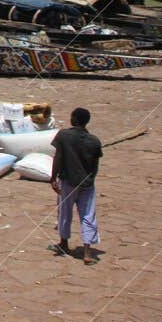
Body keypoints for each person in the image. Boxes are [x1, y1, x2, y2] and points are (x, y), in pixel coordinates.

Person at [50, 107, 104, 264]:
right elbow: (95, 165)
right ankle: (87, 252)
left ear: (74, 119)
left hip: (68, 181)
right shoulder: (94, 141)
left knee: (65, 212)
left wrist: (53, 178)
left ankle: (64, 243)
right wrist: (90, 180)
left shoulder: (64, 136)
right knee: (88, 215)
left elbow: (58, 157)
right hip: (87, 183)